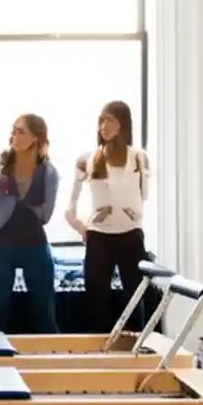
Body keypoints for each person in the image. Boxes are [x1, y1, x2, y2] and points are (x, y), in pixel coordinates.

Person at [66, 100, 150, 335]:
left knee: (135, 296)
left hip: (130, 236)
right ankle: (98, 352)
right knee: (96, 299)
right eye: (101, 120)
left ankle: (136, 348)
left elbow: (143, 197)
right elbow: (69, 206)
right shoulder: (88, 159)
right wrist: (81, 227)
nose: (103, 126)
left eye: (109, 120)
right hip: (99, 238)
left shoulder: (139, 158)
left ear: (123, 124)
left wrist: (129, 214)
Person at [0, 113, 60, 334]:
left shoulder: (49, 173)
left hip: (34, 244)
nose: (14, 135)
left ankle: (53, 361)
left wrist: (26, 196)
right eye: (13, 130)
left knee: (45, 312)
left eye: (20, 131)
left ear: (35, 138)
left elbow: (46, 214)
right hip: (1, 246)